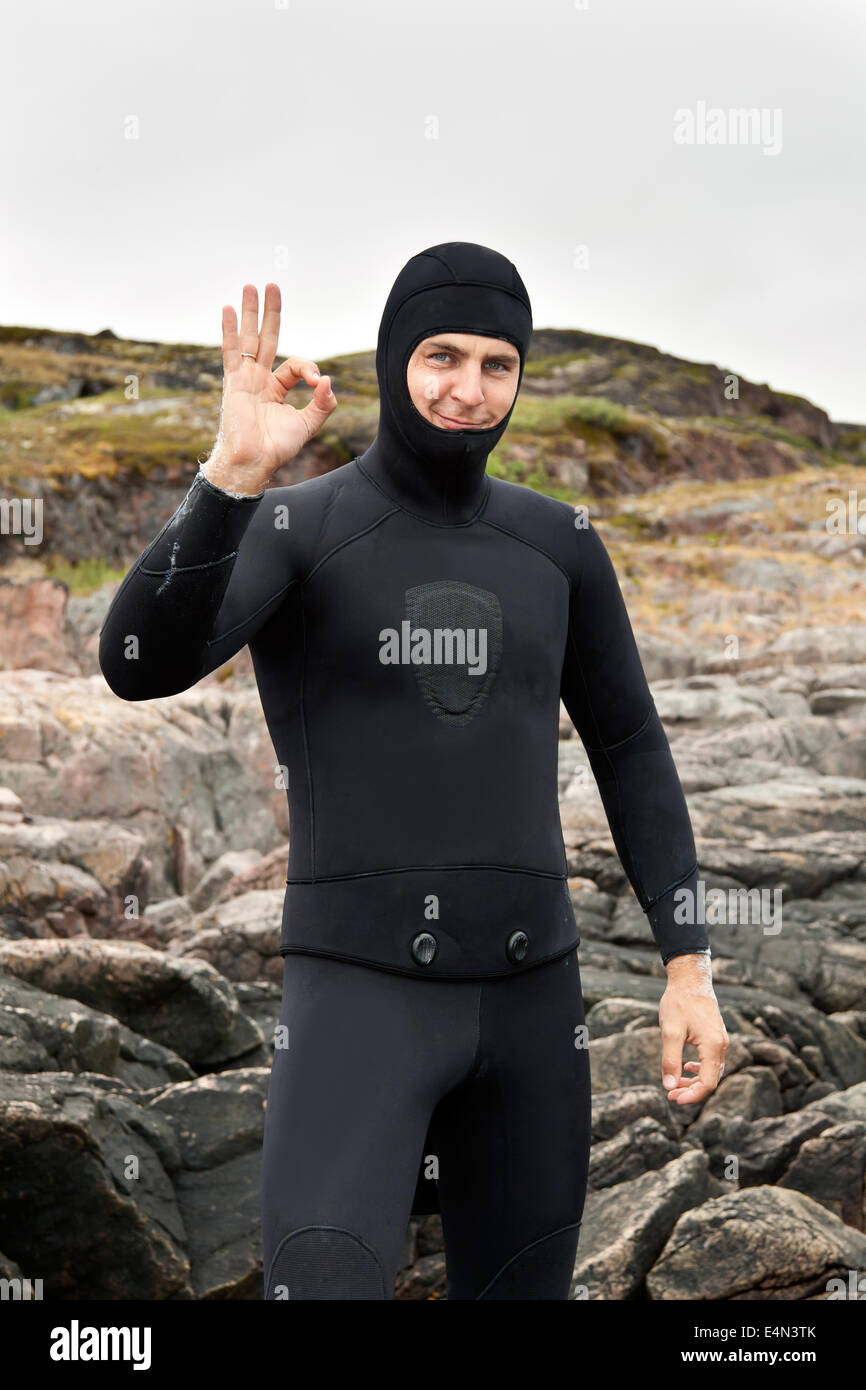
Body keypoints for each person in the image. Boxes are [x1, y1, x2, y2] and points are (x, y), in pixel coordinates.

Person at [99, 241, 729, 1300]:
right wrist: (231, 478)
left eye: (495, 364)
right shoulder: (304, 526)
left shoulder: (556, 543)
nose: (466, 389)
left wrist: (685, 965)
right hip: (354, 1007)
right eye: (440, 355)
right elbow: (136, 664)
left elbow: (627, 745)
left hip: (535, 1013)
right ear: (396, 357)